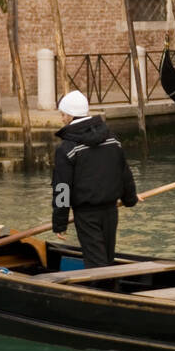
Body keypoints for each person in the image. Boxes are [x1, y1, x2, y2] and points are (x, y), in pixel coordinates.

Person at [51, 90, 138, 270]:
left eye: (62, 114)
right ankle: (109, 290)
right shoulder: (112, 139)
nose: (61, 119)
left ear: (69, 115)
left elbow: (62, 188)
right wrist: (130, 199)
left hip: (86, 214)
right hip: (110, 210)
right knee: (107, 258)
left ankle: (104, 294)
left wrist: (60, 222)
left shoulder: (67, 148)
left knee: (97, 265)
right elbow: (124, 172)